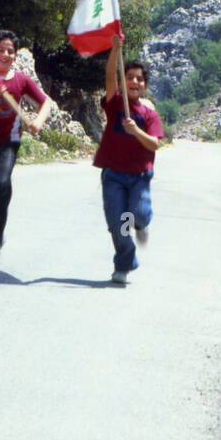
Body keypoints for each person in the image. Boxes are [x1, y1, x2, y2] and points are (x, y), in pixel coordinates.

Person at [0, 30, 53, 261]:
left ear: (15, 55)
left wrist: (37, 121)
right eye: (0, 50)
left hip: (8, 142)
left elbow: (46, 103)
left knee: (0, 182)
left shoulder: (21, 80)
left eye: (10, 51)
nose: (6, 54)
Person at [93, 34, 163, 285]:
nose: (134, 81)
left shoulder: (149, 113)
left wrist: (136, 131)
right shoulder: (114, 104)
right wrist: (115, 49)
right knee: (118, 223)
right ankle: (125, 262)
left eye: (139, 79)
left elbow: (154, 143)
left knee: (139, 215)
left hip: (139, 176)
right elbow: (109, 76)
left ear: (144, 85)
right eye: (129, 77)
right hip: (113, 174)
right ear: (122, 83)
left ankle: (142, 224)